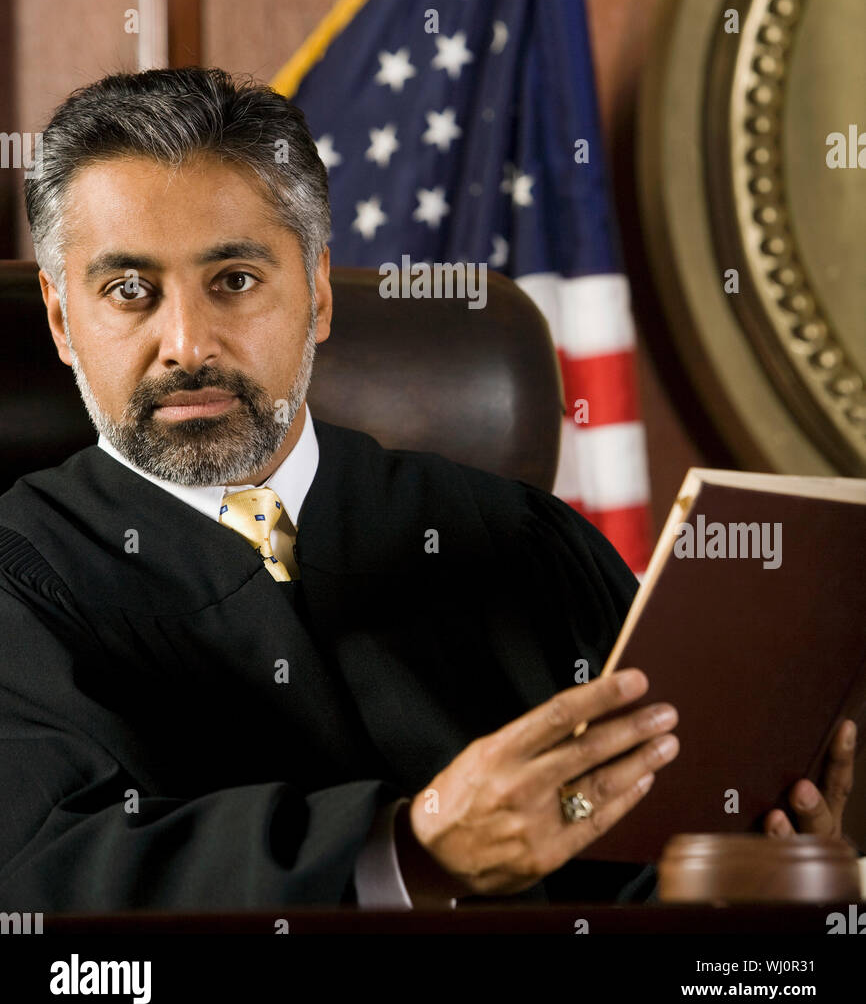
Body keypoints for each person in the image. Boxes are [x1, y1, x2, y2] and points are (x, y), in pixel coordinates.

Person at [0, 67, 855, 914]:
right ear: (61, 320)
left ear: (320, 294)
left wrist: (743, 887)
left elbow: (640, 871)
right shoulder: (20, 586)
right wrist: (407, 857)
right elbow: (48, 886)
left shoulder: (522, 542)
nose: (186, 343)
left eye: (234, 280)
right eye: (128, 291)